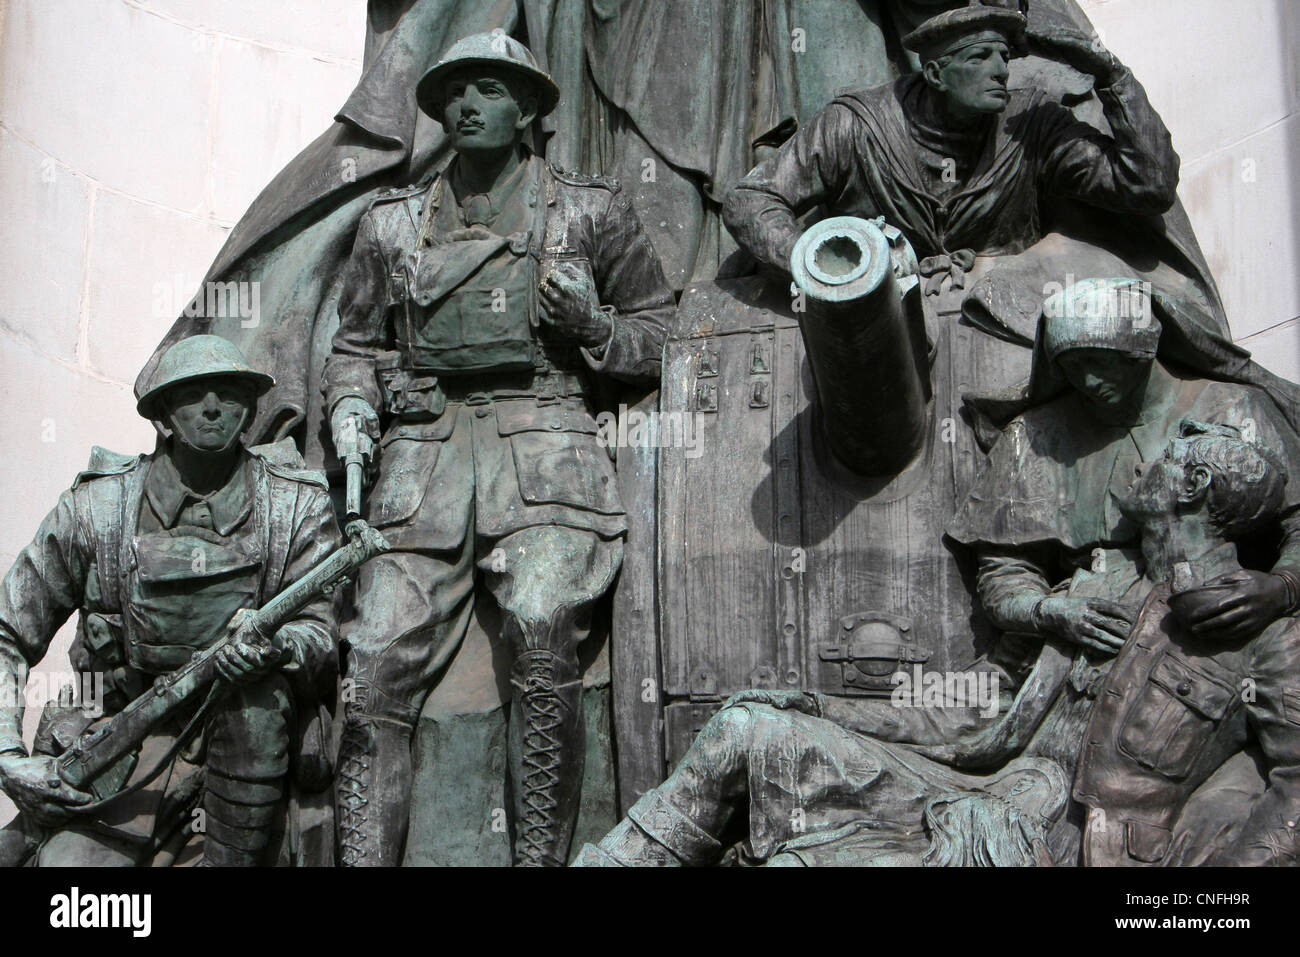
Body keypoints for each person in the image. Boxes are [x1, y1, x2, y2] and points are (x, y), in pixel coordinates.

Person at [321, 33, 674, 867]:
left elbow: (663, 335)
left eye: (487, 89)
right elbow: (356, 345)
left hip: (547, 458)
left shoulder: (589, 210)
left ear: (527, 110)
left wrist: (593, 326)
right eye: (454, 93)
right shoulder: (393, 223)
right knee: (372, 656)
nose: (465, 106)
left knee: (544, 622)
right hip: (422, 464)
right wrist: (349, 405)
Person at [0, 336, 341, 866]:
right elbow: (7, 633)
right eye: (193, 394)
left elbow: (321, 632)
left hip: (248, 761)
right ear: (162, 413)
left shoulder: (297, 504)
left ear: (251, 409)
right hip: (116, 752)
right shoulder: (99, 507)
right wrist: (8, 757)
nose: (213, 407)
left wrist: (276, 647)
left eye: (229, 392)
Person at [1077, 423, 1300, 866]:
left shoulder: (1269, 634)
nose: (1141, 464)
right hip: (1030, 813)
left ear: (1195, 485)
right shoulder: (1097, 592)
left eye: (1164, 458)